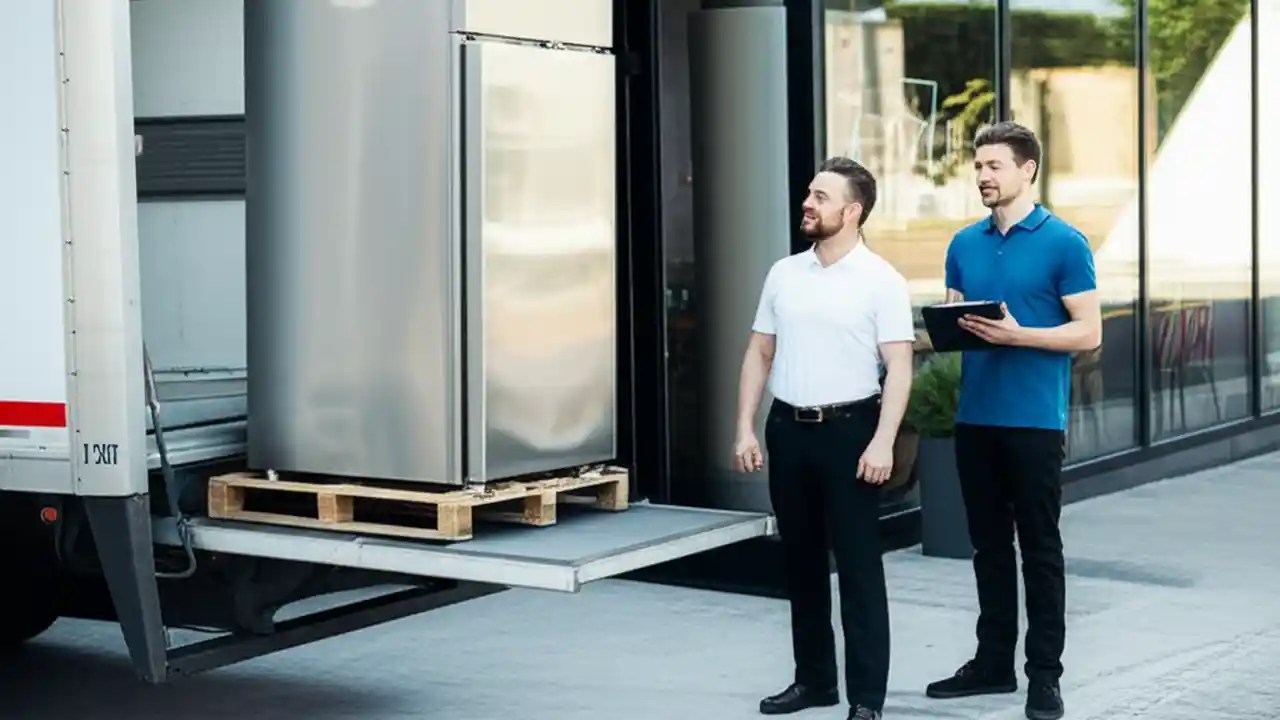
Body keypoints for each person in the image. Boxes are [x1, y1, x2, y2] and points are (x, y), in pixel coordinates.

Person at [924, 121, 1101, 720]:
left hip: (1033, 423)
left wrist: (1017, 334)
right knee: (988, 549)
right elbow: (954, 321)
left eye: (994, 166)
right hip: (976, 418)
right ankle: (992, 663)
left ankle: (1044, 678)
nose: (982, 176)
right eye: (978, 166)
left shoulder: (1065, 243)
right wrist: (943, 327)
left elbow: (1089, 330)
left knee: (1041, 551)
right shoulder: (963, 244)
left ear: (1028, 170)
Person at [735, 157, 916, 720]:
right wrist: (744, 425)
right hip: (789, 431)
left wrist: (884, 441)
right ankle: (814, 681)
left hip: (852, 433)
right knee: (802, 563)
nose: (807, 203)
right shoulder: (784, 273)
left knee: (860, 568)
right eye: (809, 194)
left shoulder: (881, 280)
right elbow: (759, 351)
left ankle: (866, 699)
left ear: (852, 211)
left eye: (821, 196)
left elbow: (901, 368)